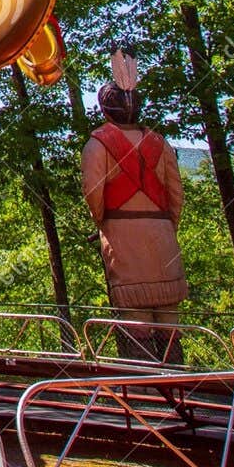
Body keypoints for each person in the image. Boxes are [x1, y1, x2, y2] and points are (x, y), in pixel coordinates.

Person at [81, 51, 188, 362]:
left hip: (123, 236)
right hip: (163, 236)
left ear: (105, 109)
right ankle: (178, 386)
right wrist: (167, 225)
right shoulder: (160, 142)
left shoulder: (97, 145)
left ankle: (145, 393)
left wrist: (102, 223)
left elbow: (94, 192)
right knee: (170, 323)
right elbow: (175, 193)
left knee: (135, 322)